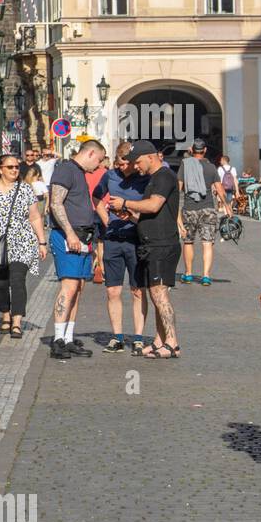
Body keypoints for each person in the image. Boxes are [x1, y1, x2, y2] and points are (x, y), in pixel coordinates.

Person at [108, 140, 185, 359]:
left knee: (160, 294)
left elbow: (153, 205)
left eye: (138, 162)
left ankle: (172, 342)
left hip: (162, 244)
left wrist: (125, 203)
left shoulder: (164, 176)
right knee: (155, 294)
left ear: (150, 157)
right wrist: (131, 216)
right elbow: (150, 214)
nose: (135, 166)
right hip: (151, 243)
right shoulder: (154, 178)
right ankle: (160, 340)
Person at [0, 153, 47, 339]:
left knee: (18, 280)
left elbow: (35, 217)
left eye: (16, 167)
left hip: (22, 241)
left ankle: (17, 321)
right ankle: (5, 314)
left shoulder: (25, 189)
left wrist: (42, 241)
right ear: (0, 169)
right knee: (1, 282)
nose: (14, 170)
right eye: (10, 167)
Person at [47, 139, 105, 360]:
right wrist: (69, 233)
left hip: (83, 237)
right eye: (98, 160)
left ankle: (68, 337)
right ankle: (58, 340)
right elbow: (56, 203)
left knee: (78, 287)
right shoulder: (66, 170)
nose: (98, 166)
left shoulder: (79, 172)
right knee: (69, 286)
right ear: (90, 153)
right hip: (68, 236)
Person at [94, 142, 150, 355]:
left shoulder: (145, 178)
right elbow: (96, 197)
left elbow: (152, 205)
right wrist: (106, 220)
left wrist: (134, 214)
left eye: (125, 164)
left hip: (136, 239)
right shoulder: (110, 176)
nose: (121, 167)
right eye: (118, 163)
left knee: (138, 290)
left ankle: (138, 337)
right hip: (113, 239)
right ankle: (117, 337)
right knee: (113, 290)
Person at [178, 139, 231, 285]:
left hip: (189, 208)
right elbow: (220, 189)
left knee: (188, 241)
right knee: (207, 243)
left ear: (192, 150)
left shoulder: (185, 165)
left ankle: (188, 274)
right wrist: (227, 207)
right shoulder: (211, 167)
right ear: (205, 150)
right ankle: (206, 276)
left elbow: (178, 187)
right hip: (208, 207)